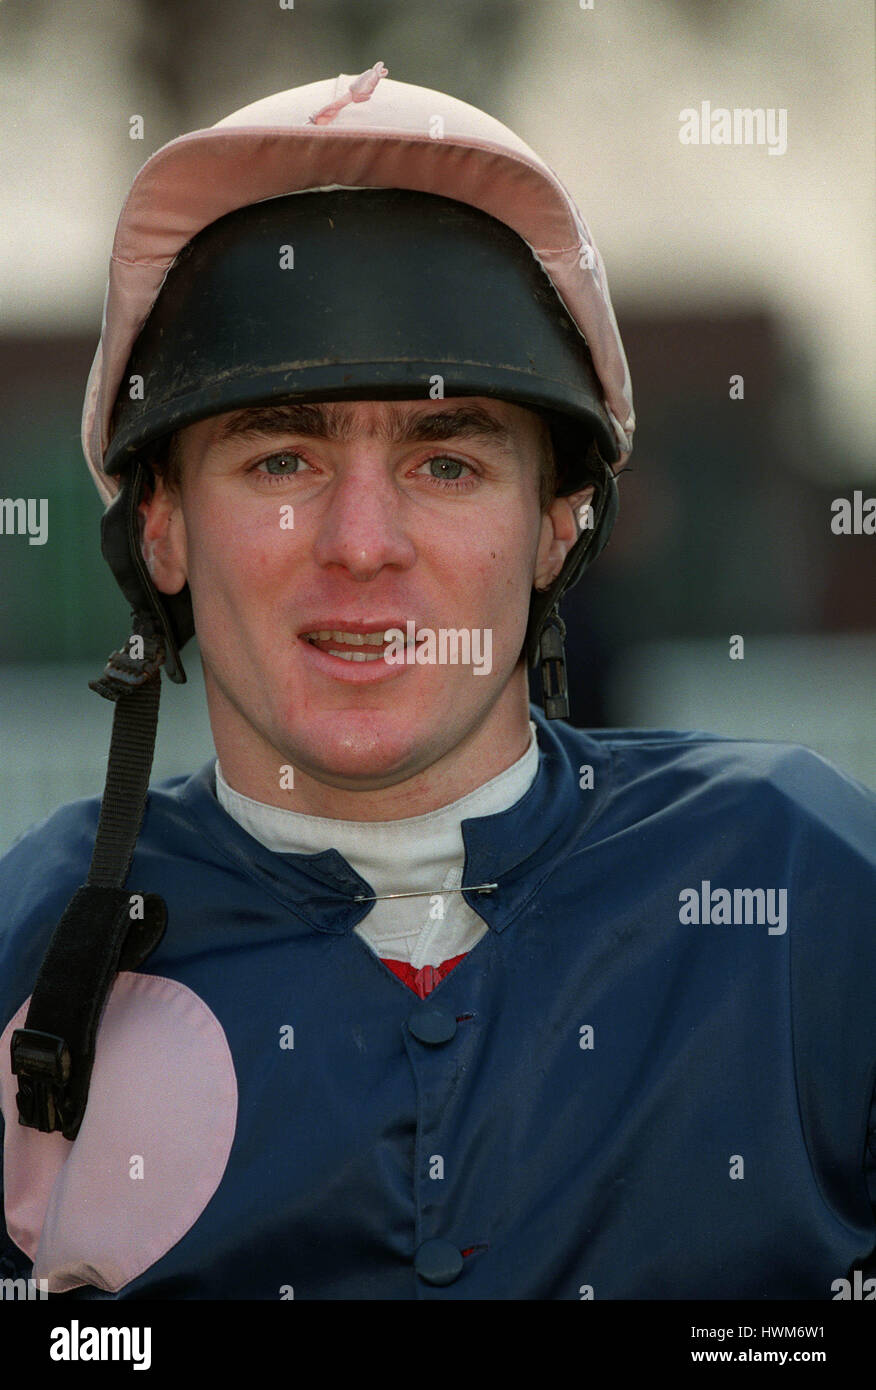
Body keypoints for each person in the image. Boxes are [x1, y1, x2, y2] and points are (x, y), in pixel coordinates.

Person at [1, 65, 874, 1302]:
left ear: (559, 526)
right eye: (282, 455)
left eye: (448, 463)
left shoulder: (807, 886)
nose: (361, 542)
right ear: (163, 530)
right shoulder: (25, 944)